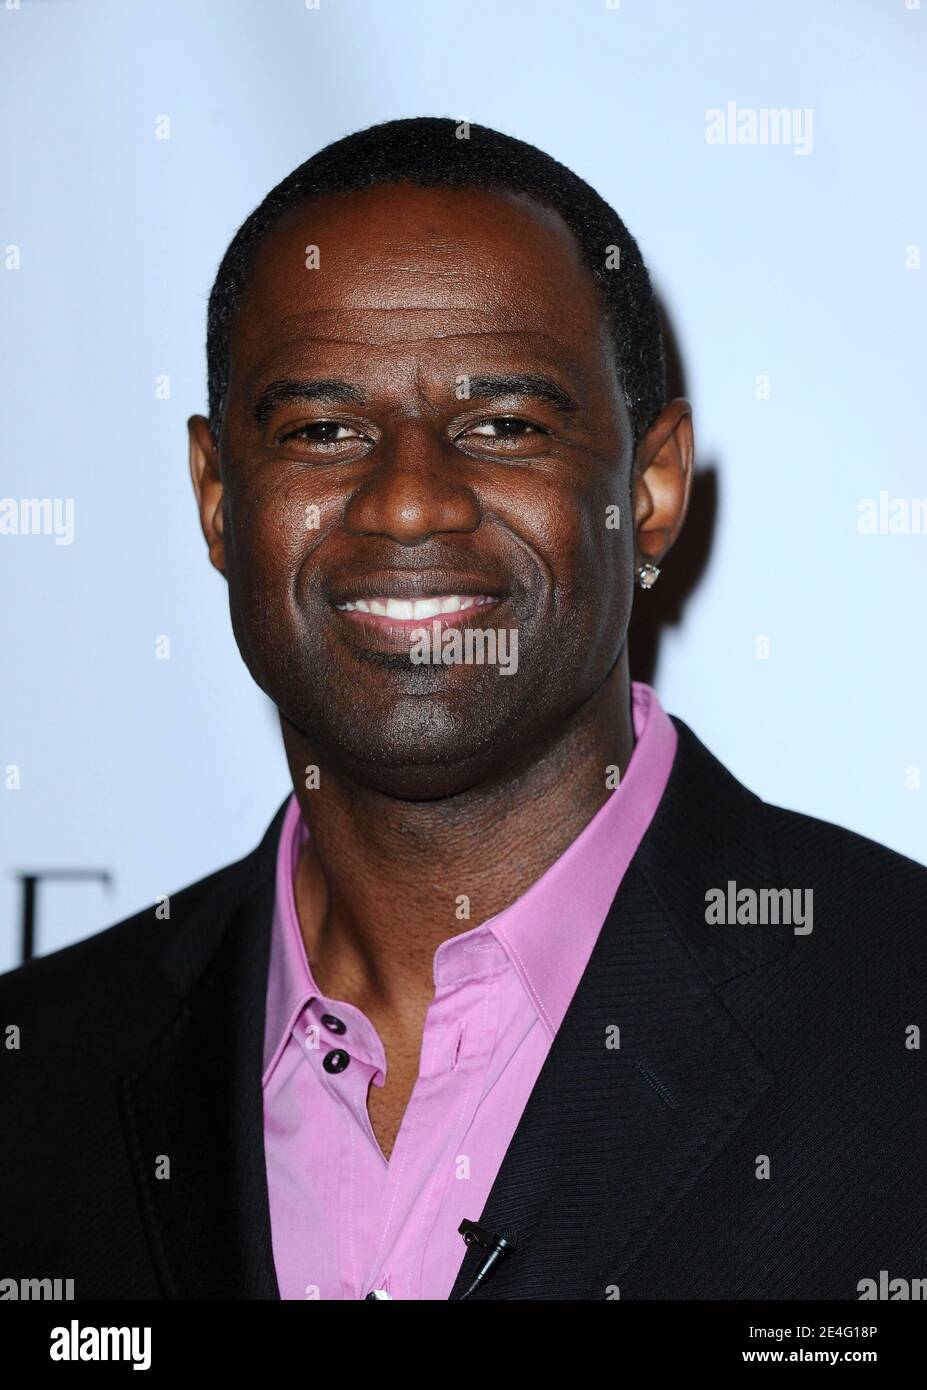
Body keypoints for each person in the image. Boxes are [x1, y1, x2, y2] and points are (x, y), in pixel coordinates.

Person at [2, 117, 925, 1302]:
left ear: (649, 493)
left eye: (505, 427)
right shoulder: (37, 1077)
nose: (407, 503)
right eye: (323, 430)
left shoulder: (895, 1024)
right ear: (219, 499)